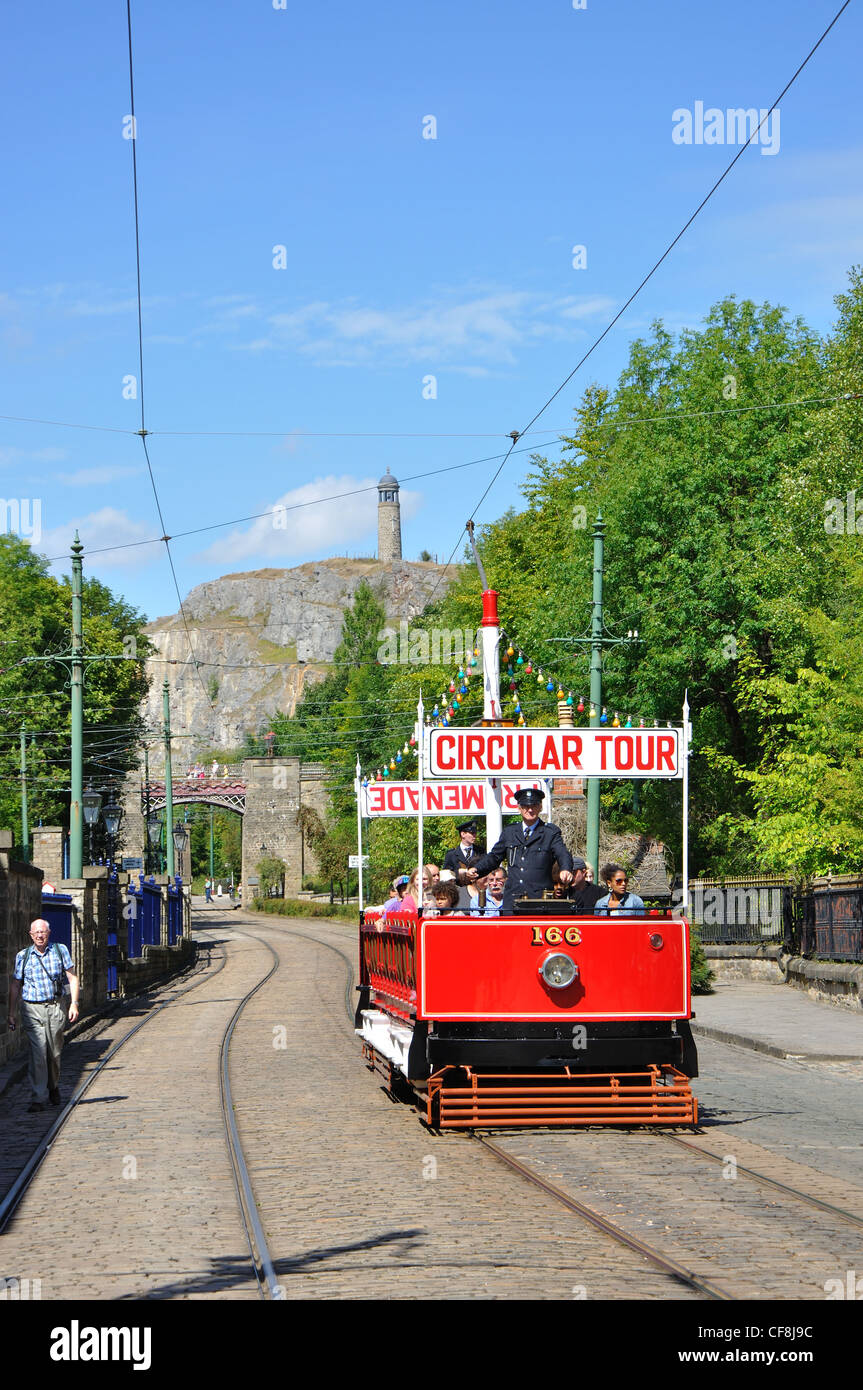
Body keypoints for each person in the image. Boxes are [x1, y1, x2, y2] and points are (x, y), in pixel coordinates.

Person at [7, 919, 79, 1112]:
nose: (40, 935)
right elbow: (15, 985)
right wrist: (11, 1013)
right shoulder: (23, 956)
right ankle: (38, 1097)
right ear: (30, 935)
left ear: (49, 933)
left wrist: (74, 1003)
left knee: (54, 1053)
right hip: (32, 1010)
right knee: (38, 1053)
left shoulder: (59, 950)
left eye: (43, 932)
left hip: (55, 1007)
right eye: (36, 932)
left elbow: (72, 977)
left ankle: (53, 1085)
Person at [469, 787, 574, 913]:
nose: (530, 810)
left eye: (534, 805)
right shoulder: (510, 832)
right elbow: (494, 857)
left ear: (540, 807)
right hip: (513, 900)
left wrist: (566, 869)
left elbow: (563, 853)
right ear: (519, 808)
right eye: (525, 806)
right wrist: (477, 869)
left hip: (539, 901)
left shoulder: (550, 832)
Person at [442, 819, 484, 884]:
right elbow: (445, 875)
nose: (474, 836)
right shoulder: (451, 854)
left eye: (475, 833)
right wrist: (458, 872)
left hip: (476, 889)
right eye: (472, 833)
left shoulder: (481, 852)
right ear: (463, 834)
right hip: (458, 889)